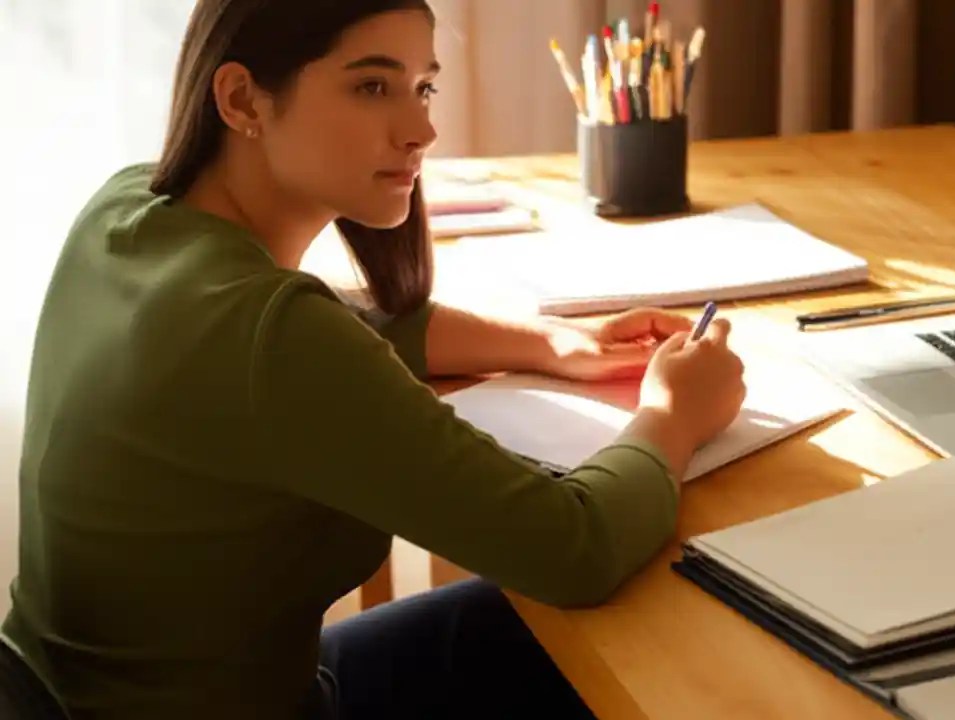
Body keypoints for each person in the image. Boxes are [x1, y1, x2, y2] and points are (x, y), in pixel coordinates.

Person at [0, 1, 747, 718]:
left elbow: (349, 327)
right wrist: (671, 414)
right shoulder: (273, 337)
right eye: (371, 86)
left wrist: (551, 343)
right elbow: (576, 549)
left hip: (74, 695)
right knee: (604, 621)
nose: (421, 127)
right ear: (242, 99)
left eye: (423, 87)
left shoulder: (127, 211)